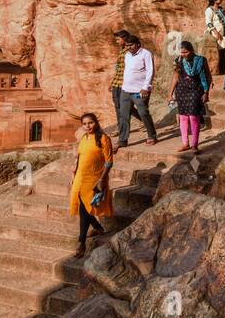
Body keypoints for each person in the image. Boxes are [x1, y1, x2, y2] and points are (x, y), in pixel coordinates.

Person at [68, 112, 114, 258]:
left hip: (95, 178)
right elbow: (80, 156)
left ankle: (81, 242)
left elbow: (109, 162)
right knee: (83, 204)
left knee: (85, 207)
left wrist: (102, 179)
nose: (88, 126)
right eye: (85, 124)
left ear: (96, 122)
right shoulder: (84, 138)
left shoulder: (104, 139)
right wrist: (74, 169)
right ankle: (98, 227)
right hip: (81, 177)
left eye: (90, 123)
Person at [116, 34, 158, 147]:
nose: (129, 47)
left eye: (131, 45)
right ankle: (122, 140)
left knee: (143, 112)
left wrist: (145, 87)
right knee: (124, 115)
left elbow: (150, 71)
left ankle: (152, 135)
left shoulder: (146, 54)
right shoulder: (127, 55)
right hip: (126, 90)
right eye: (127, 45)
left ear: (138, 44)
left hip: (140, 91)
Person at [170, 41, 211, 154]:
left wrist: (206, 92)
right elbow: (175, 77)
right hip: (182, 91)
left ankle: (194, 144)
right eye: (182, 52)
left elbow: (207, 75)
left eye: (186, 52)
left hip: (196, 90)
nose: (184, 54)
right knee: (183, 117)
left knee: (194, 117)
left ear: (192, 50)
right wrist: (170, 94)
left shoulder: (201, 60)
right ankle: (185, 143)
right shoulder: (178, 60)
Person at [110, 29, 142, 126]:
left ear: (124, 39)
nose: (117, 41)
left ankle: (123, 126)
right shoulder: (122, 51)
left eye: (118, 39)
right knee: (119, 106)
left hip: (123, 84)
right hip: (117, 83)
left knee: (124, 105)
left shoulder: (128, 52)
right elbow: (119, 69)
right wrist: (112, 82)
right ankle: (122, 126)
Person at [204, 0, 225, 76]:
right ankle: (219, 71)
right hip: (216, 34)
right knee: (219, 51)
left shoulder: (221, 9)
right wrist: (215, 32)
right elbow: (208, 22)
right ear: (214, 0)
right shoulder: (209, 10)